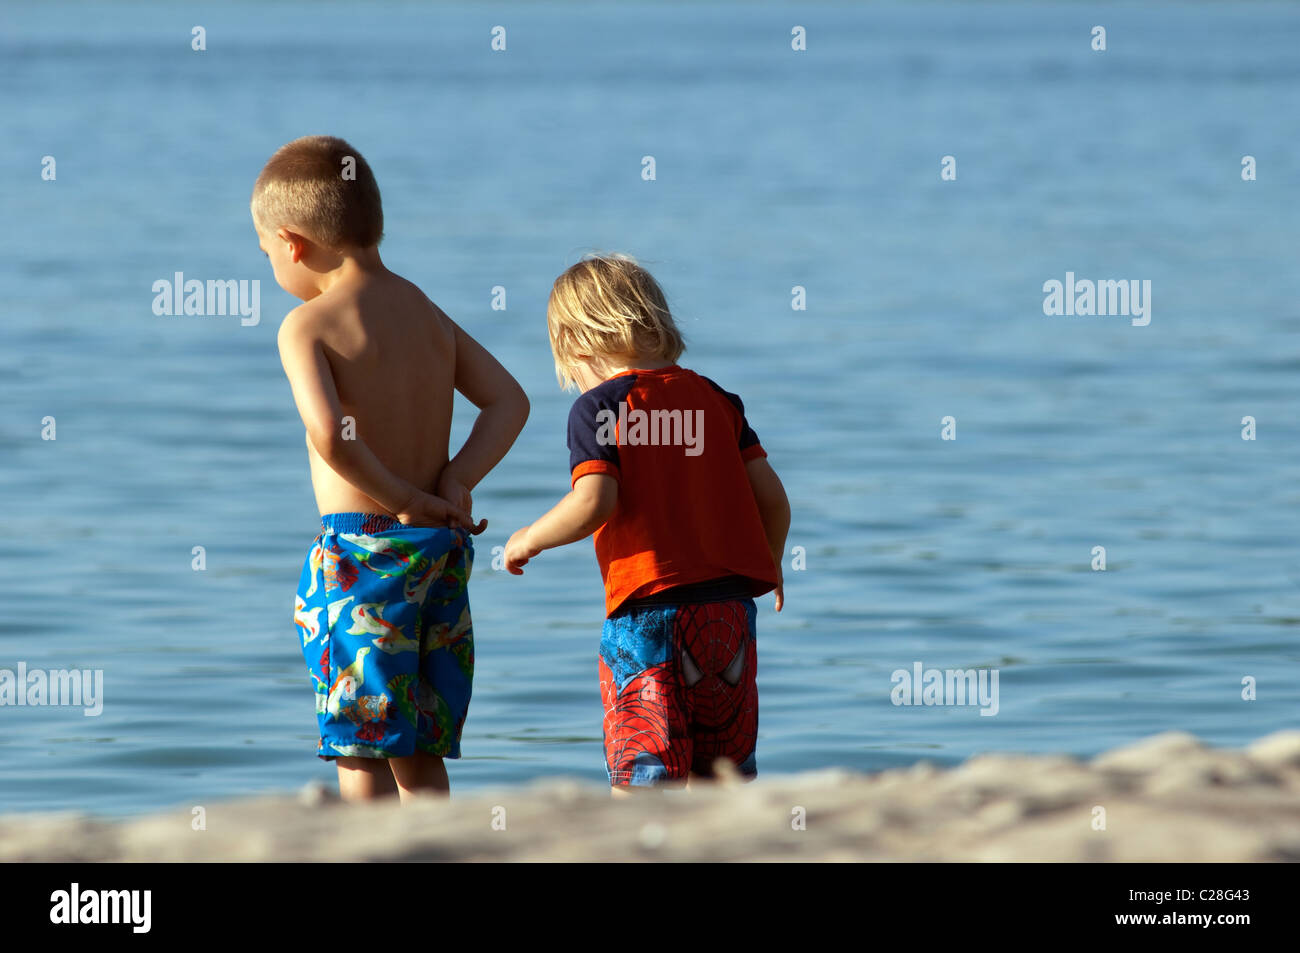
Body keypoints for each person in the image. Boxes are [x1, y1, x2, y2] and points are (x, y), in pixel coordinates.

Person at [253, 135, 528, 801]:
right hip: (438, 552)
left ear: (292, 243)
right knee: (420, 746)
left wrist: (403, 496)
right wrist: (455, 480)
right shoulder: (427, 314)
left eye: (266, 253)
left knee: (361, 745)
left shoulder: (306, 325)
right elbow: (509, 401)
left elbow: (329, 434)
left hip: (361, 554)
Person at [504, 254, 790, 792]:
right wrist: (770, 560)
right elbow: (773, 499)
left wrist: (529, 538)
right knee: (723, 778)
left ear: (576, 344)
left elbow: (595, 502)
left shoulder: (601, 408)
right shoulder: (716, 400)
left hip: (649, 613)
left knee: (644, 778)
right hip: (727, 614)